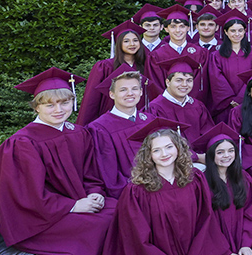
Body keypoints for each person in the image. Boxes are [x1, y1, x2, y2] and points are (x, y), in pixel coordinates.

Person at [0, 68, 127, 255]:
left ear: (73, 102)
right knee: (97, 226)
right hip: (36, 219)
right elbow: (25, 195)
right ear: (36, 107)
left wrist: (96, 193)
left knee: (122, 210)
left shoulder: (77, 133)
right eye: (49, 104)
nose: (58, 109)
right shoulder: (22, 142)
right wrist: (73, 206)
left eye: (64, 102)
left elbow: (90, 173)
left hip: (74, 204)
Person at [105, 126, 231, 255]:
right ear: (148, 155)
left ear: (178, 148)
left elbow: (205, 220)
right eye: (156, 150)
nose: (164, 154)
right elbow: (135, 238)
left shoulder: (194, 179)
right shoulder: (136, 191)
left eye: (169, 147)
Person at [202, 125, 252, 255]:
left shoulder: (243, 178)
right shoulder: (202, 183)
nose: (226, 156)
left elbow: (251, 213)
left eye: (230, 151)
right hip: (215, 246)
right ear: (211, 156)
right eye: (220, 152)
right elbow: (203, 223)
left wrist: (245, 245)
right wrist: (225, 253)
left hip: (238, 241)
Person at [86, 69, 154, 198]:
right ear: (112, 94)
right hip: (132, 192)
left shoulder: (149, 120)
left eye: (134, 89)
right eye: (123, 90)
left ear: (141, 92)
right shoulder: (100, 128)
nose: (130, 93)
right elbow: (108, 173)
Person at [78, 20, 149, 125]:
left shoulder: (146, 65)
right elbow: (92, 99)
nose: (132, 44)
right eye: (126, 41)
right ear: (118, 43)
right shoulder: (105, 66)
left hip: (140, 118)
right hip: (112, 121)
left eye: (135, 40)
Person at [147, 55, 213, 152]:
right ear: (168, 82)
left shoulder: (197, 106)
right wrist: (196, 157)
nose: (184, 85)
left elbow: (208, 134)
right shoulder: (155, 108)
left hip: (202, 161)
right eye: (179, 80)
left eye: (189, 80)